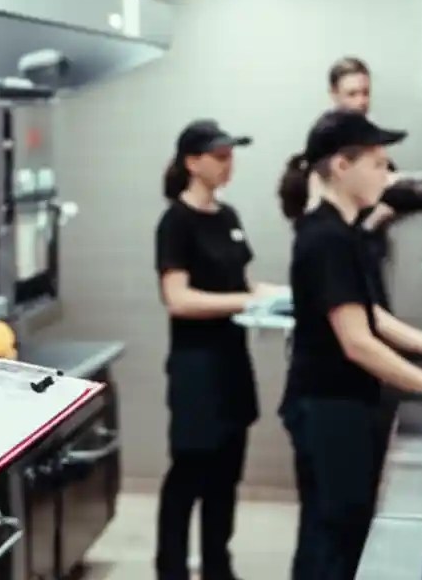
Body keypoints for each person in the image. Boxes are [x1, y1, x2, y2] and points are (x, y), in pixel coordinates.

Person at [281, 110, 422, 580]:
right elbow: (357, 342)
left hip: (344, 404)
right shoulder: (325, 238)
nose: (389, 174)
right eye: (378, 163)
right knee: (331, 538)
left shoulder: (346, 231)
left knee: (340, 529)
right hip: (328, 408)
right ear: (342, 166)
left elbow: (370, 315)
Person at [154, 119, 284, 580]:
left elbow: (244, 283)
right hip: (195, 369)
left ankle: (217, 566)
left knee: (226, 475)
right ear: (193, 162)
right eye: (221, 156)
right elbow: (179, 299)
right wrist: (248, 300)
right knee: (189, 472)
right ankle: (170, 568)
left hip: (232, 363)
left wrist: (286, 295)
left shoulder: (228, 218)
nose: (229, 165)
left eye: (232, 156)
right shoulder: (176, 222)